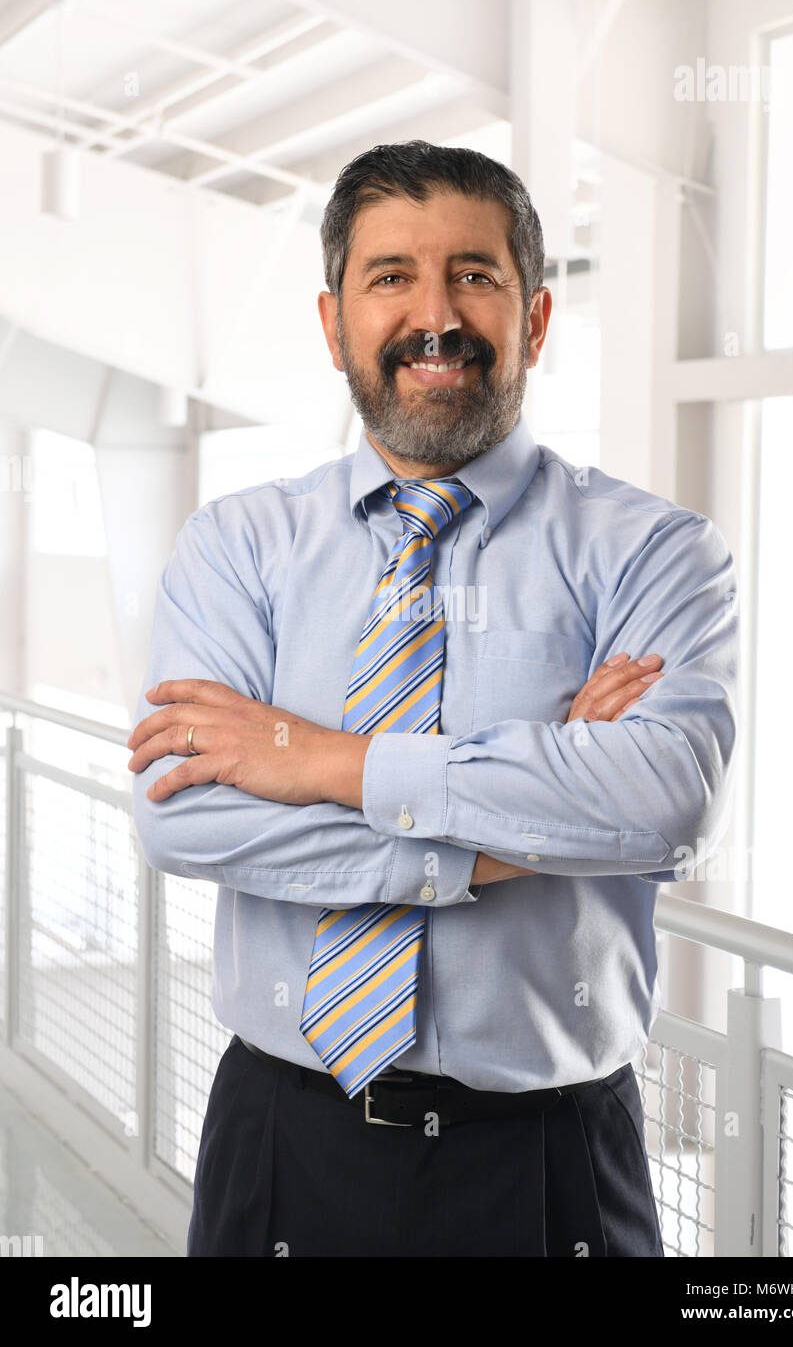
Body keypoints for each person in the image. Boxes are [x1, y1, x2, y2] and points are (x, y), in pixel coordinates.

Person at [128, 140, 737, 1258]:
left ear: (536, 317)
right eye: (390, 277)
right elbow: (182, 811)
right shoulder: (238, 547)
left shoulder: (652, 550)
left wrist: (318, 761)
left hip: (547, 1158)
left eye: (474, 273)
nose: (435, 314)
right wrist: (515, 826)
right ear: (332, 323)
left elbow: (660, 803)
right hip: (281, 1140)